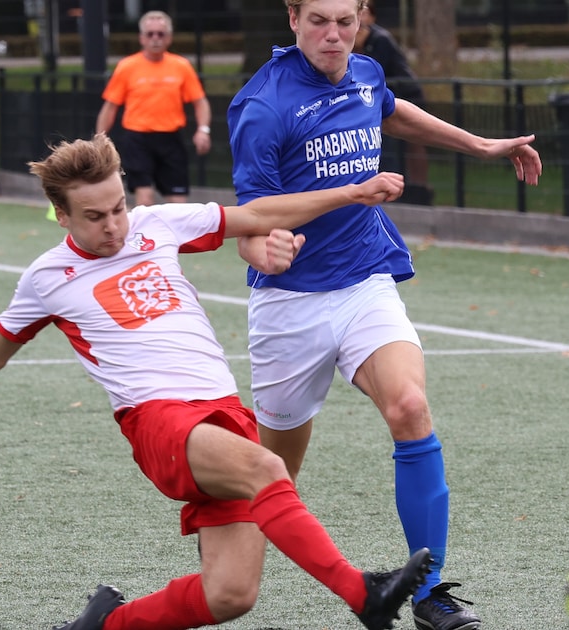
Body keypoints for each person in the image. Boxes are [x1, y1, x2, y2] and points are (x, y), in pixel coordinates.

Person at [0, 133, 433, 630]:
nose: (113, 226)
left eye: (118, 208)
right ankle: (364, 596)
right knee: (267, 469)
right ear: (62, 215)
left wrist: (352, 192)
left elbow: (259, 216)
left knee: (231, 594)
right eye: (94, 217)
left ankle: (103, 626)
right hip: (158, 420)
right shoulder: (48, 277)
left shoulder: (159, 224)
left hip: (223, 411)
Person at [227, 1, 542, 629]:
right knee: (275, 470)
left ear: (362, 20)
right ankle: (226, 568)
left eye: (345, 21)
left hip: (365, 283)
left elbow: (391, 111)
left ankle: (429, 593)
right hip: (289, 305)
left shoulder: (366, 73)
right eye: (318, 20)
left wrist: (479, 144)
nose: (333, 35)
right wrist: (265, 248)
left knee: (410, 408)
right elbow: (250, 221)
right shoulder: (262, 105)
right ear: (293, 19)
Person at [95, 10, 211, 207]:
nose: (155, 39)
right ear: (142, 38)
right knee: (145, 198)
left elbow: (200, 102)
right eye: (150, 34)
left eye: (161, 34)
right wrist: (100, 138)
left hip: (170, 139)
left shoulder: (181, 66)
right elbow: (111, 106)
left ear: (169, 38)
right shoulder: (127, 66)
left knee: (178, 203)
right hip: (138, 140)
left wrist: (203, 130)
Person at [353, 0, 432, 205]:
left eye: (364, 12)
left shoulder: (380, 39)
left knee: (414, 143)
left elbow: (370, 72)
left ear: (372, 17)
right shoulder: (353, 39)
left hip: (406, 94)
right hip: (384, 99)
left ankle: (419, 191)